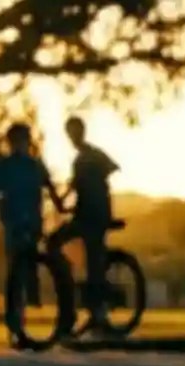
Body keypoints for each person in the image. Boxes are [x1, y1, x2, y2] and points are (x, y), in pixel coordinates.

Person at [0, 122, 64, 345]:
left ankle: (28, 305)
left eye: (22, 141)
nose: (19, 145)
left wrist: (60, 206)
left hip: (30, 222)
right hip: (14, 222)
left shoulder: (33, 165)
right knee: (16, 272)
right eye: (17, 141)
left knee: (24, 267)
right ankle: (16, 323)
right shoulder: (7, 165)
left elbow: (49, 186)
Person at [61, 115, 120, 329]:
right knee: (60, 244)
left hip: (94, 215)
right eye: (70, 134)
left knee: (93, 260)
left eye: (74, 133)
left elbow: (81, 182)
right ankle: (79, 304)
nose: (73, 137)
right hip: (87, 213)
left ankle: (97, 313)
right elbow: (76, 184)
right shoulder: (86, 157)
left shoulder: (88, 156)